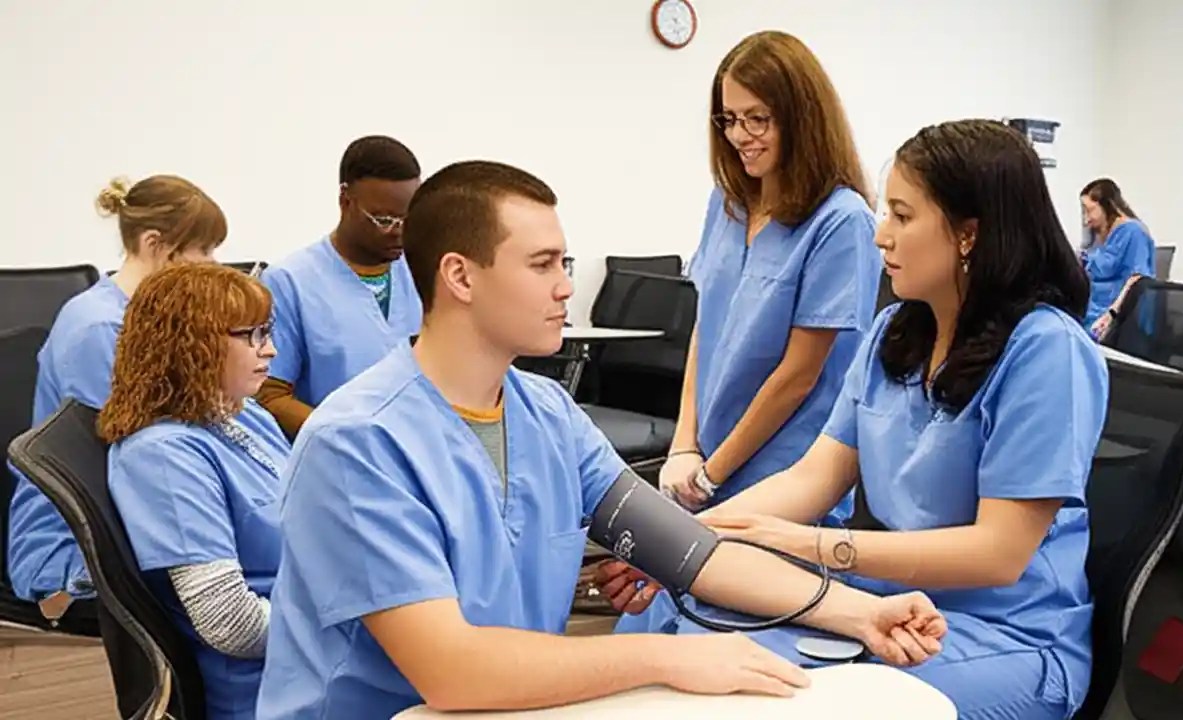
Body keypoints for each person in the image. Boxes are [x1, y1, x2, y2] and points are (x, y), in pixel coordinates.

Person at [256, 160, 947, 719]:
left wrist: (862, 613)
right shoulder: (358, 443)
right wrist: (670, 659)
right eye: (543, 265)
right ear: (460, 276)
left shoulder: (547, 413)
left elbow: (691, 554)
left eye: (566, 262)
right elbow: (453, 670)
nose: (565, 288)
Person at [601, 119, 1108, 720]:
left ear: (968, 234)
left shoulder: (1048, 350)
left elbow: (998, 554)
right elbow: (811, 479)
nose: (880, 236)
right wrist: (684, 547)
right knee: (682, 609)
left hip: (1006, 638)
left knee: (793, 701)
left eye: (901, 215)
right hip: (890, 605)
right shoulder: (896, 334)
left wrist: (810, 544)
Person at [660, 31, 880, 524]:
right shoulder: (727, 203)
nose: (740, 135)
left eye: (758, 118)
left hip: (783, 476)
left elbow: (797, 377)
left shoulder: (842, 222)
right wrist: (683, 445)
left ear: (801, 119)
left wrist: (713, 473)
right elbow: (706, 328)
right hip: (703, 463)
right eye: (730, 119)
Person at [7, 175, 226, 604]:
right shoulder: (100, 330)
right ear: (153, 244)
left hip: (127, 521)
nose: (214, 264)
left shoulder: (144, 319)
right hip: (74, 543)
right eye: (204, 249)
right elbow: (136, 455)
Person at [100, 263, 287, 720]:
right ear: (193, 344)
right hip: (275, 683)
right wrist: (363, 622)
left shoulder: (238, 411)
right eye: (253, 336)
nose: (272, 350)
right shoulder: (163, 457)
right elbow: (231, 624)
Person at [256, 135, 423, 438]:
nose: (399, 232)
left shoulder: (423, 273)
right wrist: (352, 440)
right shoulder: (290, 281)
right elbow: (269, 397)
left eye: (409, 220)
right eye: (384, 220)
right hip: (336, 466)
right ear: (345, 200)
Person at [1079, 178, 1155, 338]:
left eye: (1089, 210)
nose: (1086, 219)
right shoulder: (1099, 235)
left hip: (1115, 318)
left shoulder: (1133, 233)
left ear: (1107, 205)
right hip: (1090, 313)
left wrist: (1111, 314)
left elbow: (1138, 279)